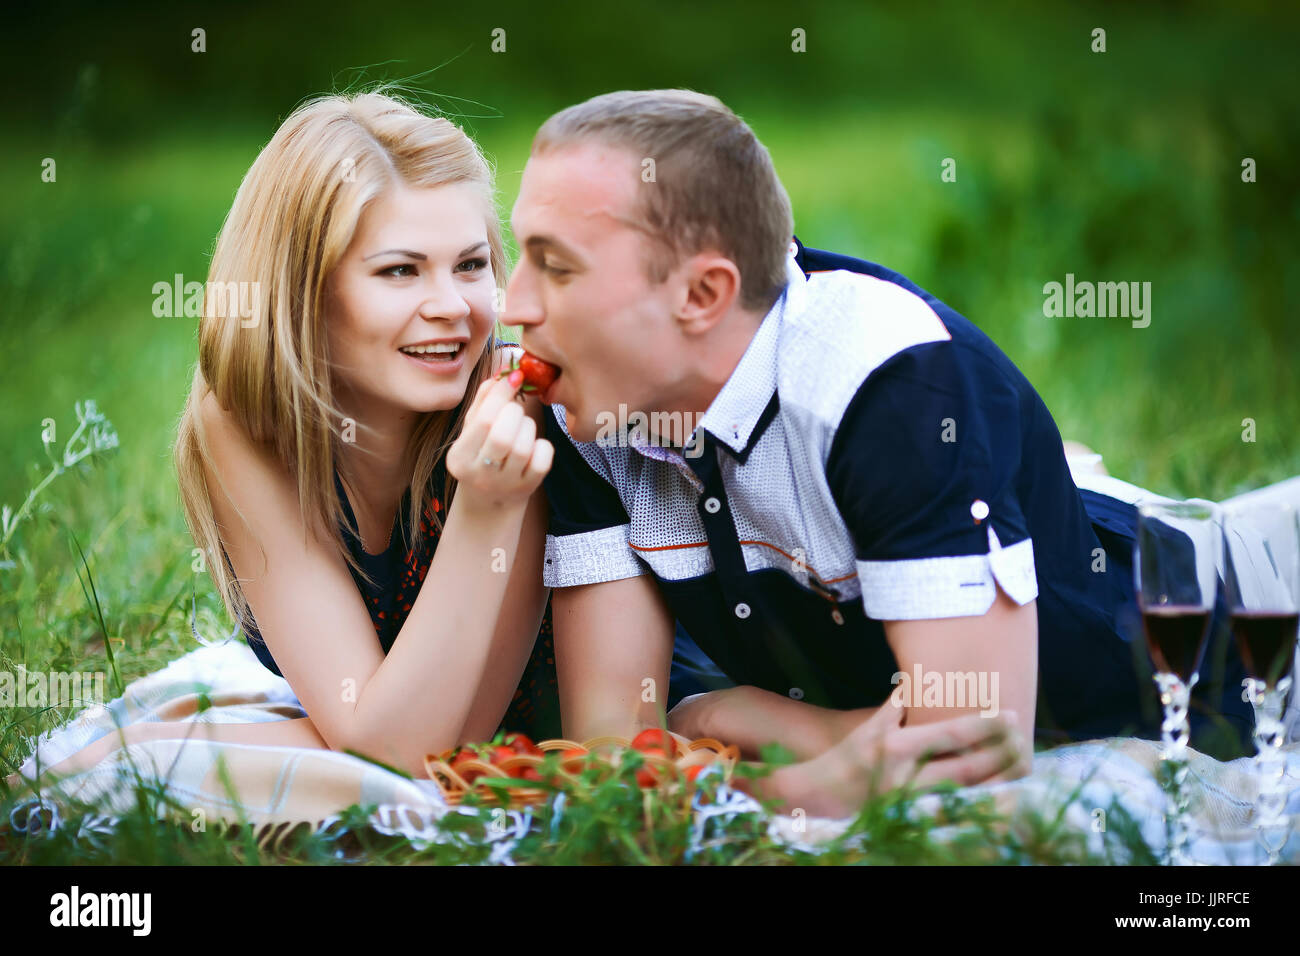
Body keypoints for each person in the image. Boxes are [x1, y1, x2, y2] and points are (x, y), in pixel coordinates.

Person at [499, 88, 1262, 817]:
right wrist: (766, 738)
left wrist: (723, 737)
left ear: (702, 295)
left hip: (1187, 701)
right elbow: (615, 754)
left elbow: (965, 766)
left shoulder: (895, 388)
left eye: (555, 266)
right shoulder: (587, 409)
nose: (513, 305)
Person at [9, 91, 716, 789]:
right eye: (400, 271)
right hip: (423, 729)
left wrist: (485, 505)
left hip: (633, 711)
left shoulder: (515, 406)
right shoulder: (246, 423)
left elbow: (436, 751)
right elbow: (370, 727)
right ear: (302, 293)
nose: (452, 307)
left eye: (470, 265)